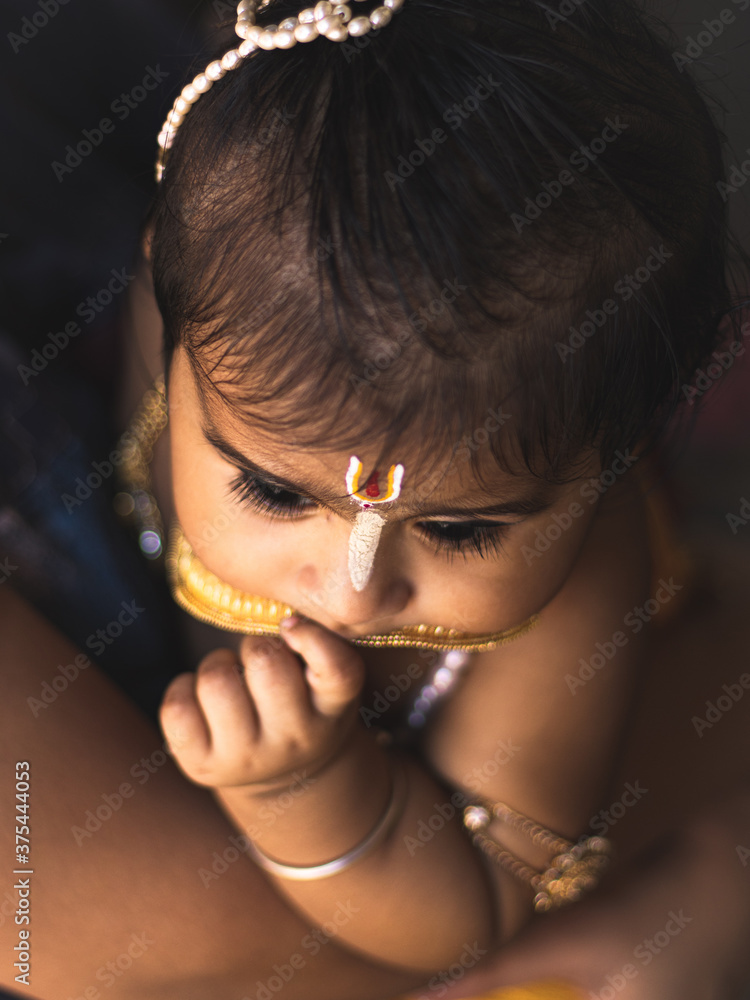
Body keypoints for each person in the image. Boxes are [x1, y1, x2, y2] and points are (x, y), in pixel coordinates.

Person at [2, 0, 750, 996]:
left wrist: (307, 790)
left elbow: (474, 918)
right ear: (166, 294)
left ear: (608, 458)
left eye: (457, 528)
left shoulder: (569, 600)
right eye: (271, 489)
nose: (352, 592)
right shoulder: (214, 301)